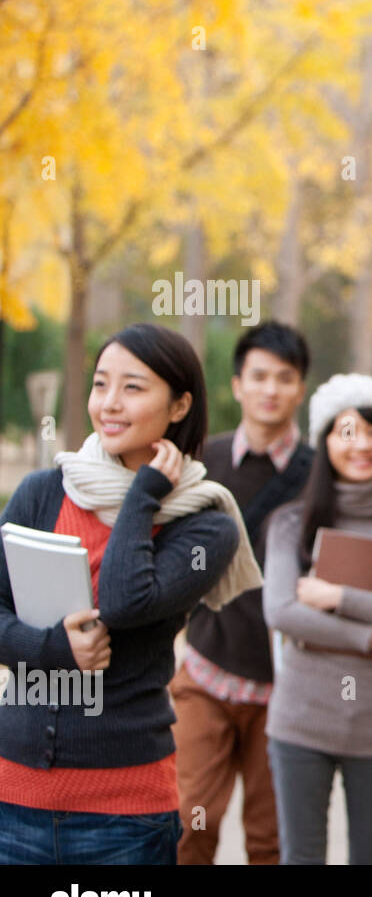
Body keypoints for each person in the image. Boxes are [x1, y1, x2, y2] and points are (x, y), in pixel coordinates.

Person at [0, 322, 261, 864]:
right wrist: (53, 650)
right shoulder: (43, 492)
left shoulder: (204, 526)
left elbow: (124, 602)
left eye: (133, 387)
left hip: (123, 817)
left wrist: (143, 497)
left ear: (179, 405)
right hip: (13, 803)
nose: (109, 404)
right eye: (100, 385)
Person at [262, 374, 372, 864]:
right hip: (301, 722)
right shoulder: (289, 523)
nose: (361, 444)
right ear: (323, 441)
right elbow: (282, 611)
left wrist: (336, 595)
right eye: (346, 431)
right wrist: (371, 639)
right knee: (301, 858)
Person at [172, 322, 313, 865]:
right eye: (258, 377)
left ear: (299, 388)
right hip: (206, 677)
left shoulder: (321, 474)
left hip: (285, 693)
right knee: (188, 825)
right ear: (236, 385)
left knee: (271, 841)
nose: (270, 389)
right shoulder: (202, 462)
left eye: (284, 378)